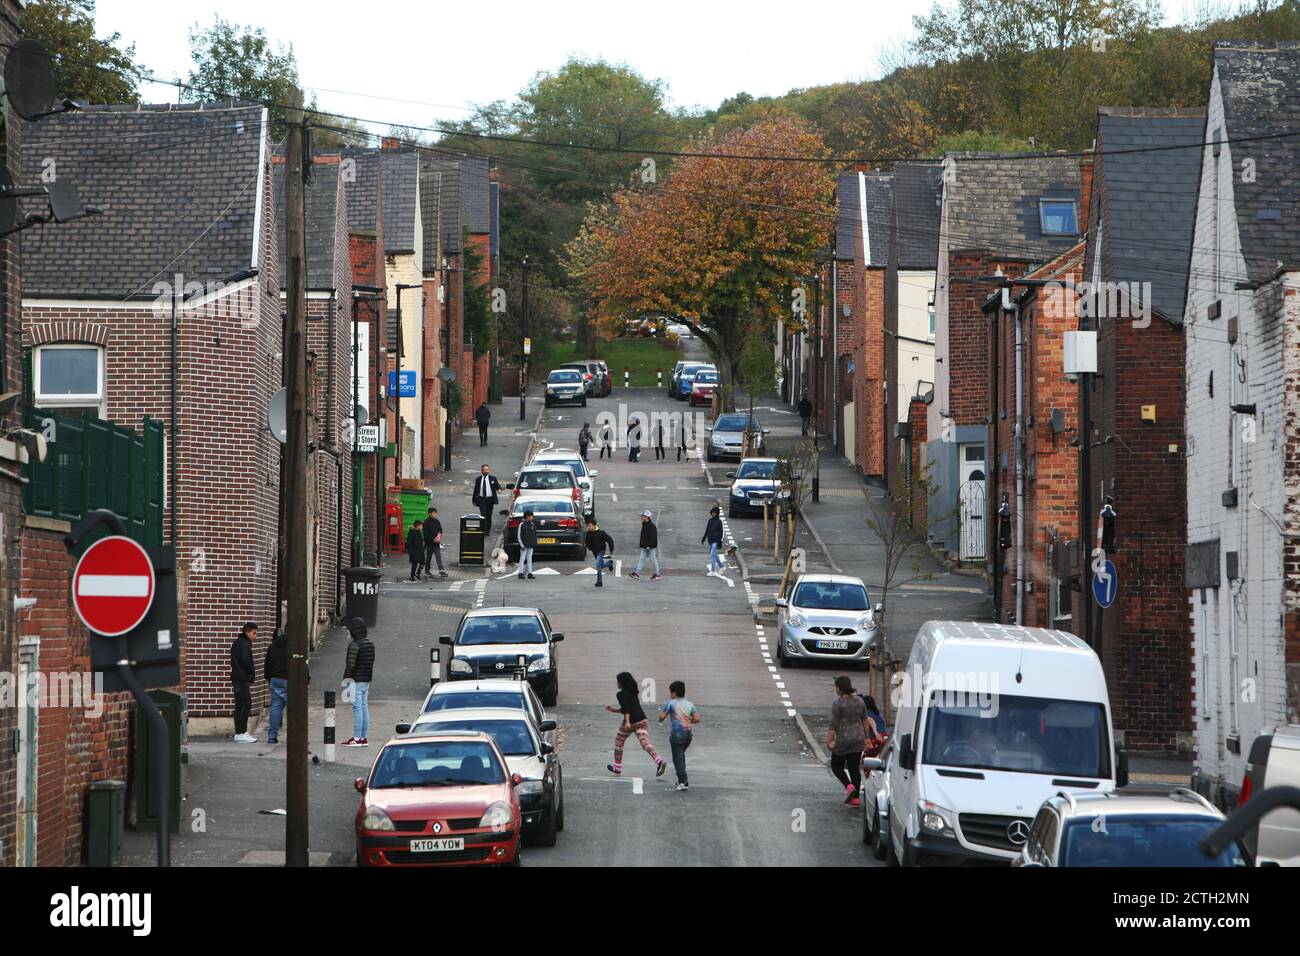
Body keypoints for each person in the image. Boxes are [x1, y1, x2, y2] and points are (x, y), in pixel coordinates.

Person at [606, 671, 666, 777]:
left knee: (619, 742)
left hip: (630, 722)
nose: (617, 683)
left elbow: (627, 710)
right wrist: (614, 710)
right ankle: (659, 761)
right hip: (642, 720)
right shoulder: (633, 691)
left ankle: (617, 768)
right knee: (645, 743)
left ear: (622, 682)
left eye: (618, 681)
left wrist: (628, 722)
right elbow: (629, 708)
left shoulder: (620, 694)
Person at [826, 675, 870, 806]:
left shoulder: (838, 704)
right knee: (854, 768)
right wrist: (866, 738)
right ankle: (856, 798)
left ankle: (849, 786)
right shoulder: (860, 701)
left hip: (843, 739)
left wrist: (829, 741)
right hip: (858, 738)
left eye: (836, 687)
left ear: (839, 688)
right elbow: (865, 721)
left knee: (836, 765)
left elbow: (833, 725)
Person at [658, 680, 700, 791]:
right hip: (688, 735)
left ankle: (683, 781)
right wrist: (689, 720)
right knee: (680, 756)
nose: (670, 694)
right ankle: (681, 779)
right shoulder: (689, 704)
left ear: (674, 693)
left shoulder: (671, 703)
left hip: (677, 735)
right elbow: (697, 718)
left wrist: (660, 717)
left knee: (677, 758)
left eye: (670, 692)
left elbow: (662, 717)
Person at [341, 617, 374, 747]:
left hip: (355, 680)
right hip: (366, 679)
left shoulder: (354, 645)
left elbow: (350, 665)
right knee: (364, 707)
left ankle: (356, 737)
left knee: (357, 709)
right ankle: (363, 738)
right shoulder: (370, 643)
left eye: (349, 629)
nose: (348, 632)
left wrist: (346, 680)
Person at [230, 622, 258, 743]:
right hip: (242, 678)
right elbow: (246, 660)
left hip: (236, 677)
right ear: (247, 632)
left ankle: (239, 733)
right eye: (254, 633)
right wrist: (252, 672)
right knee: (246, 704)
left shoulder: (236, 643)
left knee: (239, 705)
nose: (255, 636)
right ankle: (242, 733)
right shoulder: (246, 644)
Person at [262, 627, 288, 744]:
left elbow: (267, 665)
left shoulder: (272, 646)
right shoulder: (295, 645)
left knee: (276, 707)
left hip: (275, 679)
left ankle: (272, 736)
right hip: (290, 680)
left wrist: (269, 679)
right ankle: (295, 736)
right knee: (294, 709)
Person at [630, 510, 662, 580]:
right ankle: (637, 573)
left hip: (649, 547)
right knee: (642, 559)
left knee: (653, 559)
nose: (642, 517)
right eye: (642, 516)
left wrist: (649, 545)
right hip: (644, 546)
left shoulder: (651, 526)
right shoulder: (645, 524)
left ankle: (657, 574)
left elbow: (653, 537)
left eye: (643, 516)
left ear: (647, 517)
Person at [471, 464, 501, 535]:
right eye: (484, 470)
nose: (485, 471)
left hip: (490, 500)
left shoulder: (493, 478)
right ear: (481, 470)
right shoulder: (478, 479)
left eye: (487, 470)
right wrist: (474, 500)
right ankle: (483, 530)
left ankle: (487, 530)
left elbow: (497, 485)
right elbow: (475, 490)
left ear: (489, 470)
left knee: (489, 515)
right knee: (483, 515)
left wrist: (499, 489)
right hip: (481, 500)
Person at [584, 517, 614, 588]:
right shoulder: (588, 534)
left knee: (598, 565)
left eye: (590, 526)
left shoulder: (601, 533)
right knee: (600, 564)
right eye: (587, 526)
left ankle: (599, 582)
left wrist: (611, 549)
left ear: (594, 526)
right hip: (595, 552)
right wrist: (588, 546)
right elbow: (587, 542)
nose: (588, 527)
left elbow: (609, 540)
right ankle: (609, 563)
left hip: (601, 551)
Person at [702, 505, 726, 577]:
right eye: (712, 512)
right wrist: (704, 538)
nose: (713, 514)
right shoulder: (710, 521)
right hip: (710, 540)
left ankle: (713, 570)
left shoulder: (719, 522)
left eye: (715, 513)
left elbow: (722, 532)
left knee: (712, 555)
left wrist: (720, 542)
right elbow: (707, 530)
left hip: (716, 541)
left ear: (717, 513)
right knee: (714, 555)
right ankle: (722, 566)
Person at [423, 507, 447, 578]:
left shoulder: (437, 522)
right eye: (434, 513)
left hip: (436, 543)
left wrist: (439, 535)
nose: (435, 514)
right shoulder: (426, 522)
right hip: (429, 543)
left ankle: (441, 570)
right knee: (429, 558)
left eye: (436, 513)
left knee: (438, 556)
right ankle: (427, 571)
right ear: (429, 514)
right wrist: (432, 539)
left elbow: (440, 529)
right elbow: (425, 533)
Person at [517, 509, 537, 579]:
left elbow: (534, 534)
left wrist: (534, 543)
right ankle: (520, 573)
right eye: (531, 516)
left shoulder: (532, 524)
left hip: (530, 545)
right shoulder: (521, 524)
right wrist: (522, 545)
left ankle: (530, 573)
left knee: (529, 559)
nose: (532, 517)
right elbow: (519, 536)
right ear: (527, 517)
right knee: (522, 559)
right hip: (524, 545)